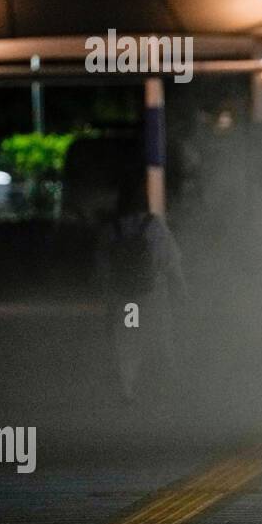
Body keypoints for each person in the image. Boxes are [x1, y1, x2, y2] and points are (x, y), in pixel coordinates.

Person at [95, 171, 187, 404]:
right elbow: (172, 261)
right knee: (161, 338)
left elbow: (103, 267)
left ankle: (127, 390)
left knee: (127, 341)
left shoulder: (111, 230)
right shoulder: (154, 226)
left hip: (125, 296)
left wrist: (108, 296)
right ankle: (170, 387)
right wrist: (181, 289)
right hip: (152, 294)